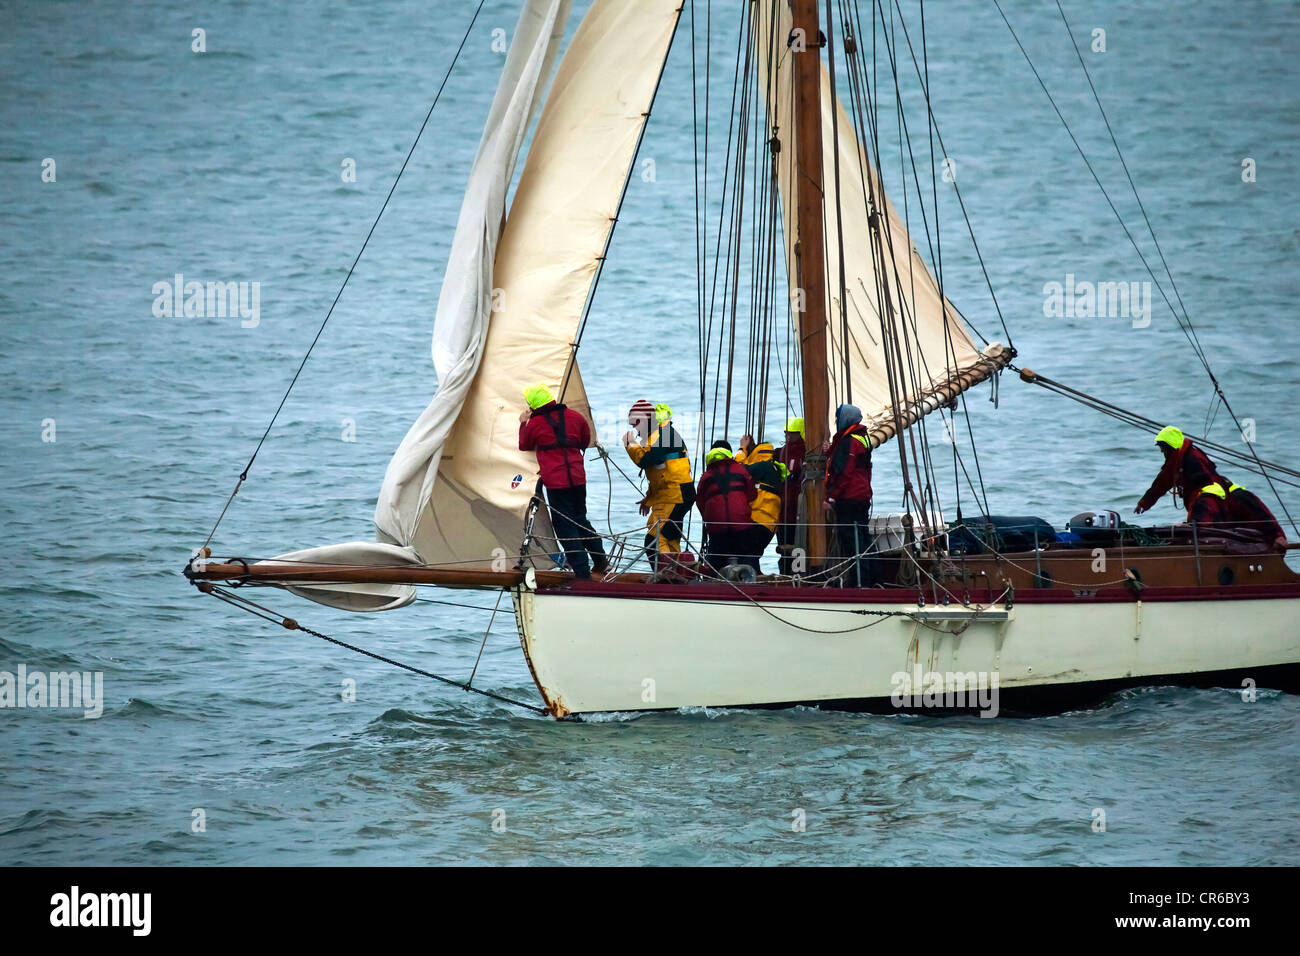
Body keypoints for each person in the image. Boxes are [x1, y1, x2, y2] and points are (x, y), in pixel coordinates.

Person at [518, 384, 608, 580]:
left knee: (565, 526)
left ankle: (582, 574)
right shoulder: (576, 417)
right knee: (580, 519)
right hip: (577, 479)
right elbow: (584, 441)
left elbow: (524, 444)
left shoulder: (535, 423)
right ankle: (600, 560)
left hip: (557, 484)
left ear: (533, 405)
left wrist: (523, 422)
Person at [624, 400, 695, 565]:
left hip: (674, 495)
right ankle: (678, 575)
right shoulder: (665, 434)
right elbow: (661, 472)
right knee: (669, 538)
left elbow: (648, 460)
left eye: (636, 424)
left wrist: (631, 444)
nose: (635, 429)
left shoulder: (662, 434)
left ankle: (665, 577)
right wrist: (649, 498)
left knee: (654, 540)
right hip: (677, 493)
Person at [826, 403, 875, 587]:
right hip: (862, 496)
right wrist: (830, 450)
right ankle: (869, 580)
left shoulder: (848, 441)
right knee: (862, 538)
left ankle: (859, 583)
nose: (837, 421)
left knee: (852, 541)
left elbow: (844, 471)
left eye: (838, 418)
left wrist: (831, 496)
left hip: (849, 498)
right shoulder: (862, 437)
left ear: (845, 419)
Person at [1135, 426, 1230, 517]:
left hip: (1211, 503)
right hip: (1199, 504)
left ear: (1170, 446)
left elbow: (1205, 486)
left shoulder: (1193, 458)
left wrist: (1195, 519)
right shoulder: (1175, 461)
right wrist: (1144, 503)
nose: (1161, 451)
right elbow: (1160, 484)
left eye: (1163, 448)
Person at [696, 440, 758, 574]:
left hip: (717, 531)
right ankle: (753, 577)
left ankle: (710, 580)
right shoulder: (741, 470)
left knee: (714, 563)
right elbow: (752, 495)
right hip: (742, 528)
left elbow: (700, 502)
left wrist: (710, 521)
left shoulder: (706, 476)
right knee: (748, 555)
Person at [733, 439, 788, 573]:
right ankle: (756, 577)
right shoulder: (774, 469)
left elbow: (735, 471)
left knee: (746, 554)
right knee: (752, 554)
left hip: (758, 521)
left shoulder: (763, 466)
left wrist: (742, 450)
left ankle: (751, 582)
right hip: (769, 525)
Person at [775, 417, 806, 574]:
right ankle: (786, 575)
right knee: (784, 546)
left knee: (798, 545)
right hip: (784, 508)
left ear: (800, 433)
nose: (788, 436)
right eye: (787, 433)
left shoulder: (805, 451)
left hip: (797, 510)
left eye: (792, 433)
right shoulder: (784, 451)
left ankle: (797, 575)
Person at [1225, 483, 1287, 551]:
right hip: (1237, 545)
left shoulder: (1240, 496)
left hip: (1263, 545)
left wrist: (1276, 536)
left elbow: (1263, 518)